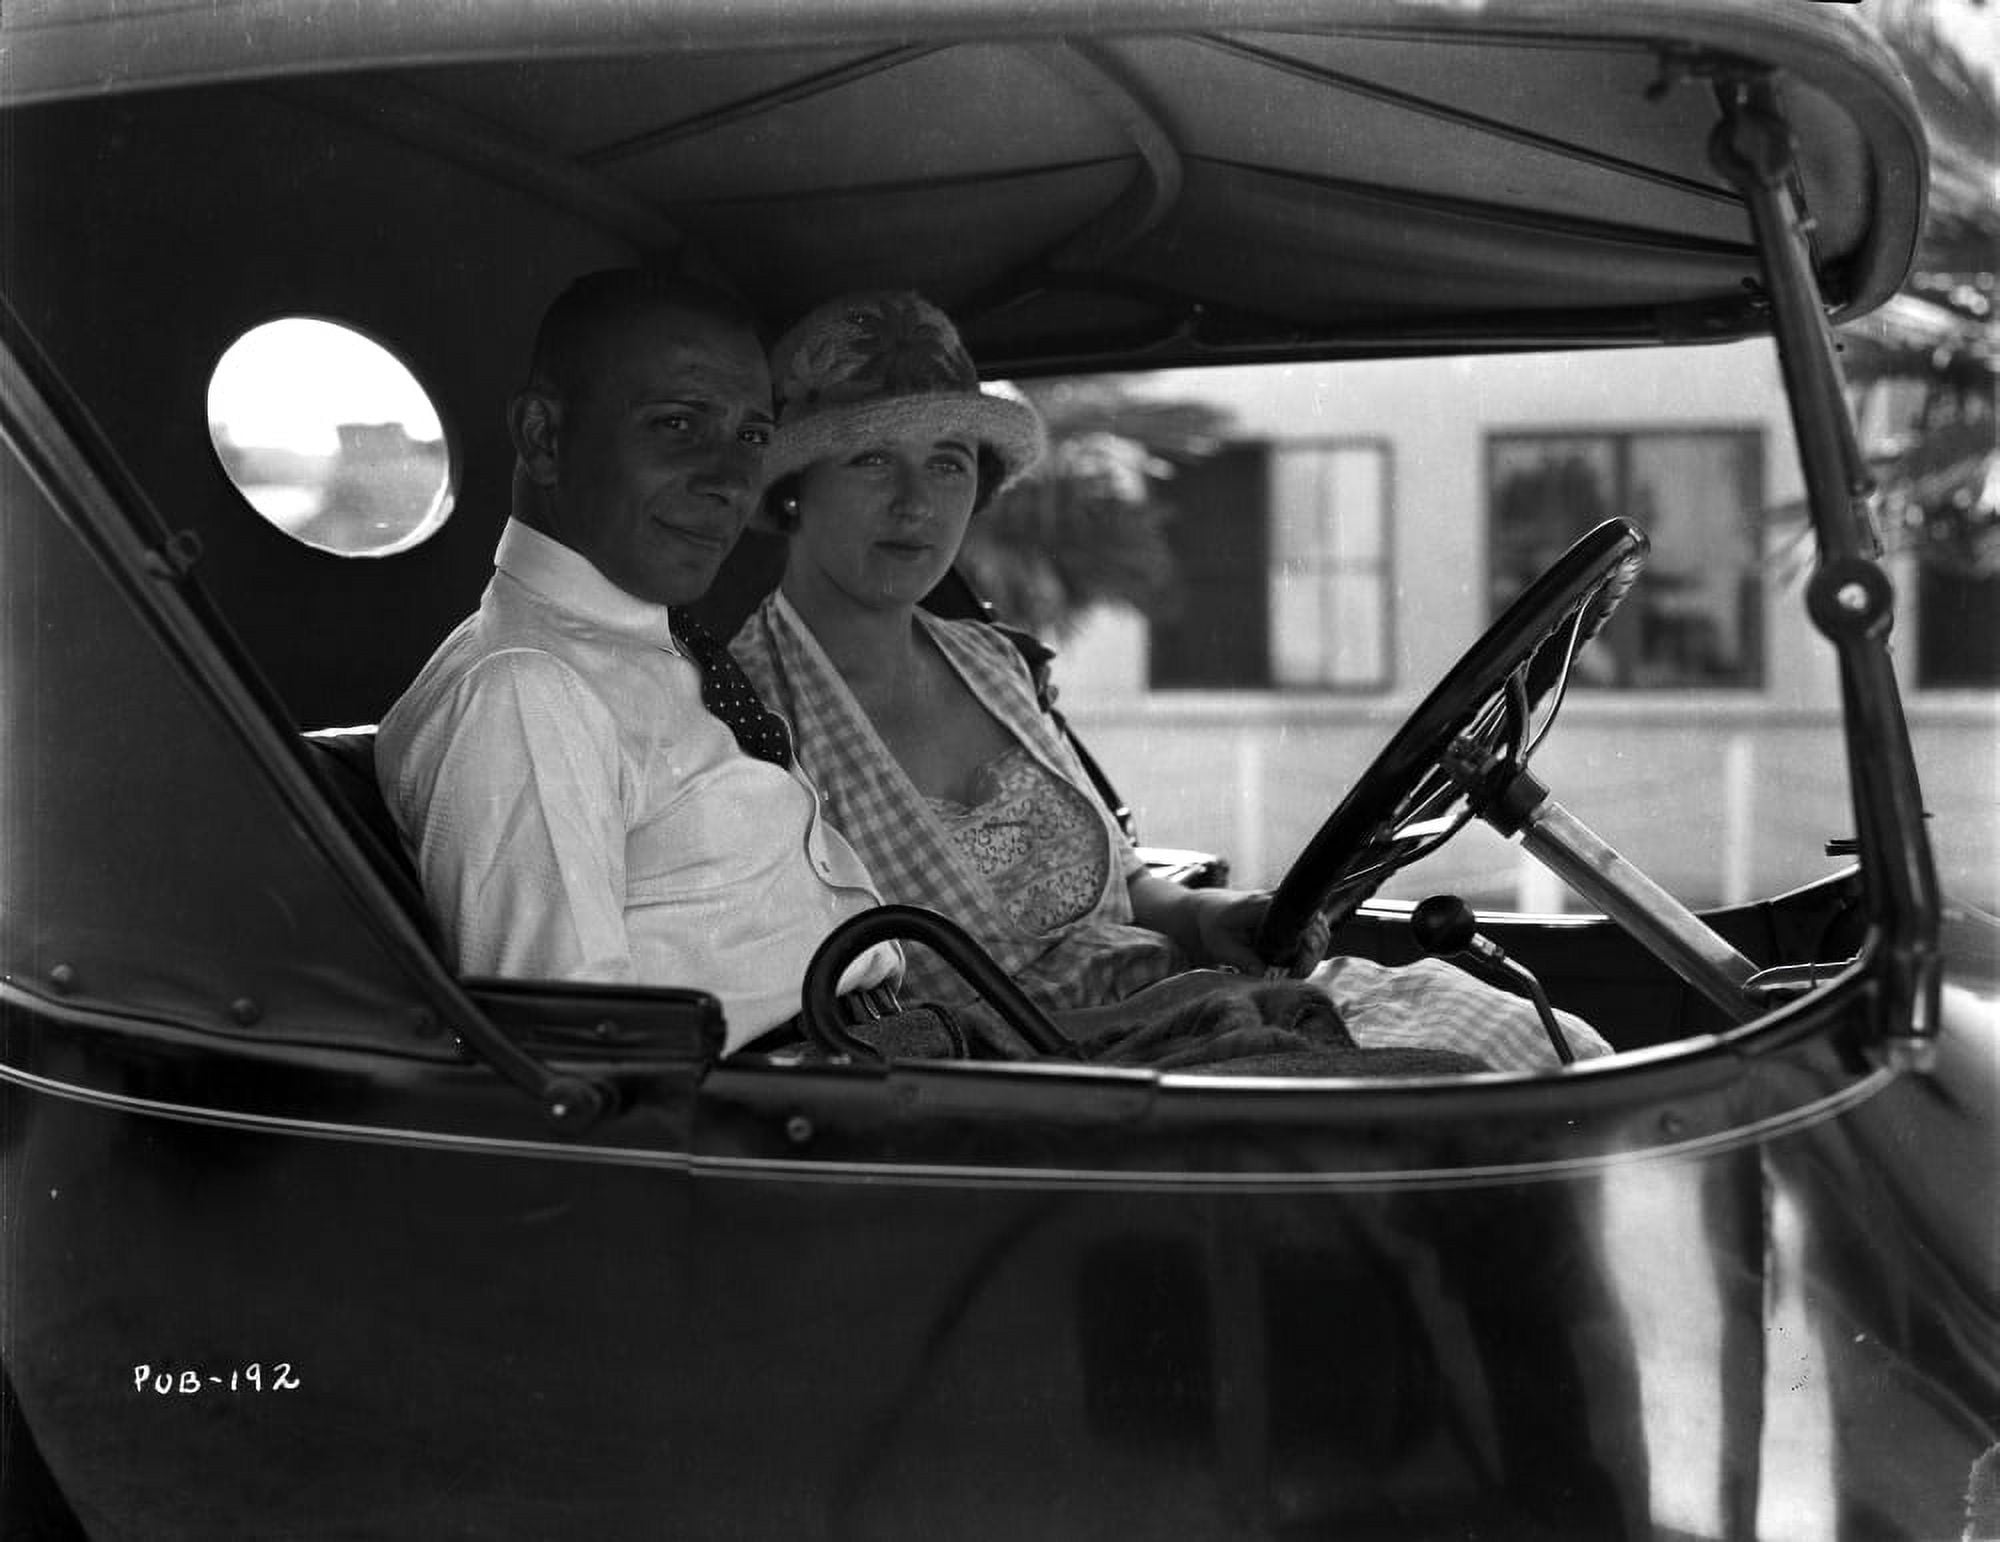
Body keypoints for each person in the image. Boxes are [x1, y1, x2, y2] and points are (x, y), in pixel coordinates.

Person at [375, 268, 1370, 1068]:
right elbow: (571, 1074)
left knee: (1323, 1033)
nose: (726, 477)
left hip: (910, 1057)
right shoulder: (527, 689)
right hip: (844, 1109)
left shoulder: (645, 654)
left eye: (750, 437)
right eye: (677, 425)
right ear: (544, 437)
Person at [731, 289, 1612, 1072]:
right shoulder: (742, 713)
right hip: (1042, 1087)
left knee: (1553, 1044)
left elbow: (1122, 888)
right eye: (873, 460)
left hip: (1189, 1011)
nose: (917, 504)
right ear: (795, 484)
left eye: (948, 463)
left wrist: (1207, 918)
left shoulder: (992, 662)